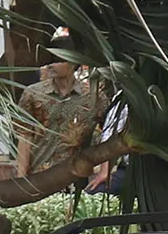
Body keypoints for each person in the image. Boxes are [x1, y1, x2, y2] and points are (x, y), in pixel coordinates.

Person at [15, 52, 106, 184]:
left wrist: (103, 171)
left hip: (76, 177)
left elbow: (108, 132)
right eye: (50, 59)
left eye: (57, 60)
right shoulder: (33, 94)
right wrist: (21, 178)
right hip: (39, 175)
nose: (51, 64)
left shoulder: (94, 97)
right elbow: (24, 136)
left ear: (73, 62)